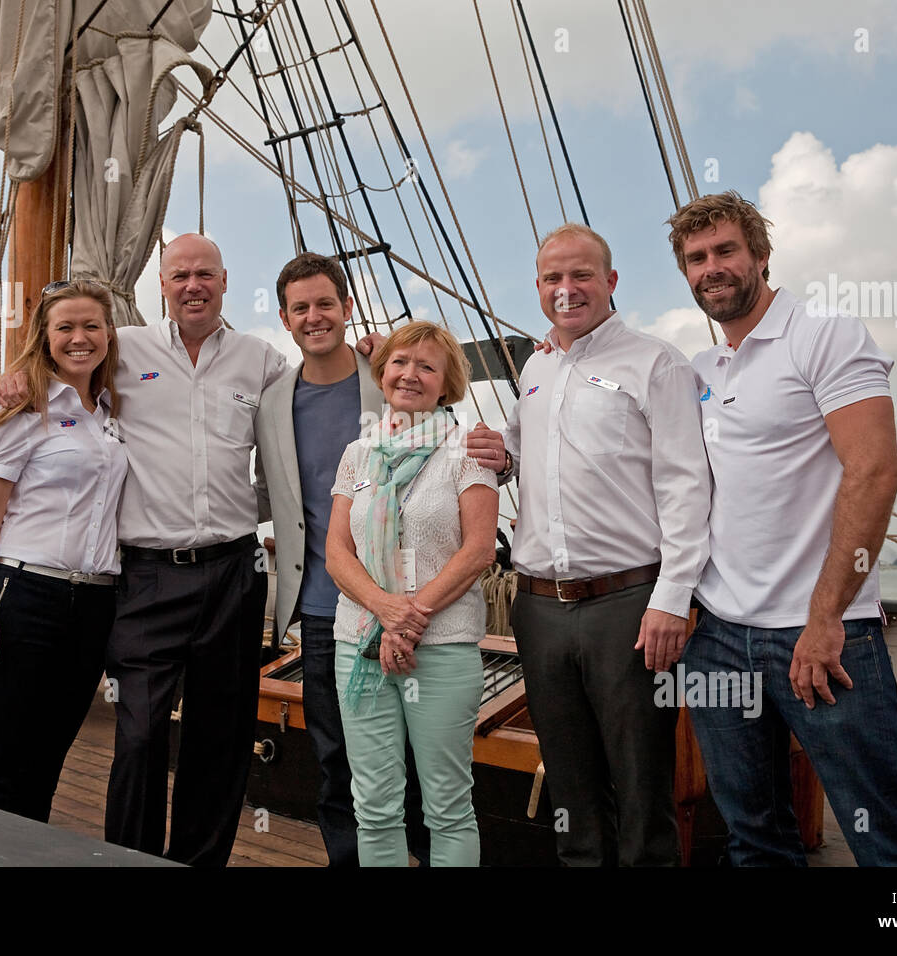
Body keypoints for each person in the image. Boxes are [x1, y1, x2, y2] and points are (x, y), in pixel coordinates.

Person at [0, 234, 288, 866]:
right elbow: (64, 366)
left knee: (220, 737)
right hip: (149, 575)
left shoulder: (260, 359)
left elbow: (312, 405)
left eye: (204, 273)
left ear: (225, 279)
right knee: (139, 736)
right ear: (161, 283)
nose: (193, 285)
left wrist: (371, 362)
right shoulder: (125, 350)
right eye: (179, 274)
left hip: (234, 572)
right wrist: (21, 373)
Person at [666, 191, 897, 866]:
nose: (711, 268)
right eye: (696, 259)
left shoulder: (825, 333)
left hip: (822, 636)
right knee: (753, 839)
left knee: (884, 843)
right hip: (720, 638)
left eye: (726, 250)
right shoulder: (701, 370)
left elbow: (876, 472)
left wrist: (824, 619)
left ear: (760, 255)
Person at [470, 223, 712, 866]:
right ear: (539, 287)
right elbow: (521, 449)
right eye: (553, 278)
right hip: (540, 608)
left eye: (581, 275)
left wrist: (671, 598)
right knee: (570, 787)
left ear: (610, 282)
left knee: (641, 785)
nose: (566, 289)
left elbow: (687, 486)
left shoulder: (656, 363)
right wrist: (501, 452)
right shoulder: (537, 366)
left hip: (626, 605)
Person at [254, 252, 430, 867]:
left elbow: (448, 449)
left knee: (417, 755)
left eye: (325, 303)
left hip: (407, 604)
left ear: (348, 307)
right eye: (299, 307)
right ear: (284, 318)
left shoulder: (390, 378)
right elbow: (263, 491)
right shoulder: (271, 402)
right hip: (327, 610)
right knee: (337, 758)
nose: (314, 316)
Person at [325, 321, 499, 866]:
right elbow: (336, 552)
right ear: (382, 372)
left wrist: (409, 616)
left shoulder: (466, 449)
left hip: (441, 646)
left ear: (447, 382)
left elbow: (478, 551)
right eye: (400, 362)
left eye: (427, 366)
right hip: (359, 644)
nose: (410, 374)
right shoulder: (358, 452)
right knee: (373, 805)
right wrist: (384, 610)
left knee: (448, 806)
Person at [0, 280, 127, 823]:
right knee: (8, 769)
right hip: (24, 597)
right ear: (45, 337)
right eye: (65, 328)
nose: (80, 338)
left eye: (91, 326)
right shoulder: (23, 408)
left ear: (108, 334)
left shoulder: (107, 412)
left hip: (94, 607)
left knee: (48, 763)